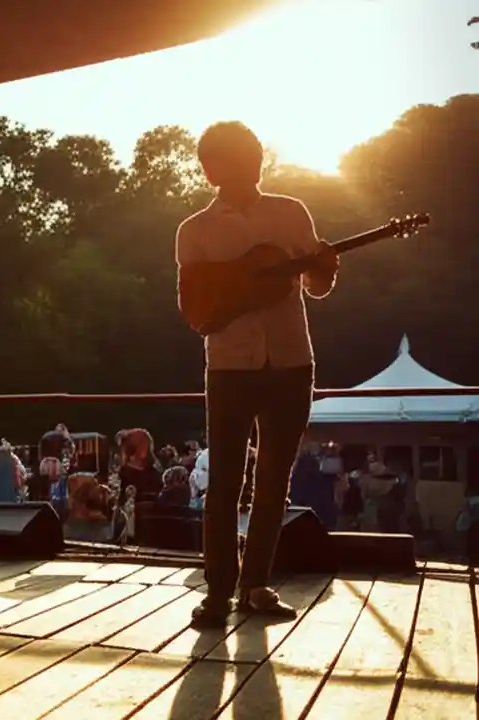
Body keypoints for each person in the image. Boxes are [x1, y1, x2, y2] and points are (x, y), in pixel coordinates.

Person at [175, 121, 339, 627]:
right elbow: (195, 308)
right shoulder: (194, 231)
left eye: (247, 156)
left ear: (258, 160)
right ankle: (218, 592)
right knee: (224, 482)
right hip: (229, 365)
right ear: (209, 170)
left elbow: (316, 286)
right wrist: (243, 288)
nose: (240, 167)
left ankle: (256, 585)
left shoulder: (291, 213)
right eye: (223, 160)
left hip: (291, 360)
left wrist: (323, 266)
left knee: (274, 481)